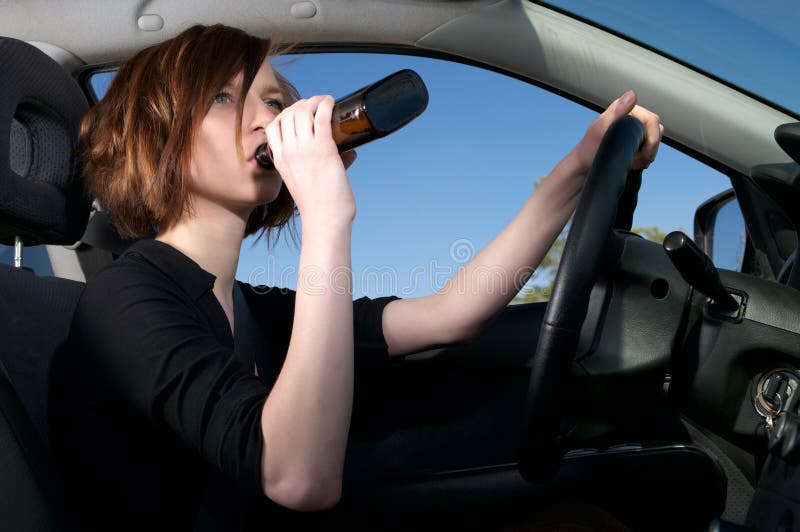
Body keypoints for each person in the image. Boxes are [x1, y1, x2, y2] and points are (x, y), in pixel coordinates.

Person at [48, 24, 662, 532]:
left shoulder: (249, 305)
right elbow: (296, 477)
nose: (267, 117)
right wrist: (326, 215)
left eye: (272, 100)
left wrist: (577, 167)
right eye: (222, 98)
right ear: (155, 136)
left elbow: (451, 314)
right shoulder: (125, 299)